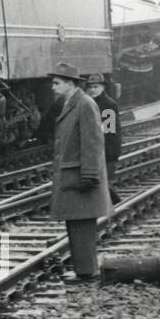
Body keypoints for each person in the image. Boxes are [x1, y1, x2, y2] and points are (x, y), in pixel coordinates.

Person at [48, 62, 112, 281]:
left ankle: (86, 272)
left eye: (57, 83)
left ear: (70, 84)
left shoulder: (85, 104)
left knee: (82, 226)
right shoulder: (73, 103)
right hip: (73, 176)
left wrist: (90, 175)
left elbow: (92, 142)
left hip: (80, 177)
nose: (52, 87)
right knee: (76, 225)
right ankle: (84, 269)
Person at [85, 72, 121, 205]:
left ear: (103, 87)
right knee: (101, 183)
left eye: (96, 87)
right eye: (91, 87)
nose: (93, 90)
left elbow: (109, 130)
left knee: (105, 183)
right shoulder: (89, 103)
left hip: (108, 150)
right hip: (96, 149)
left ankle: (115, 206)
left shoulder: (108, 104)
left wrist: (108, 152)